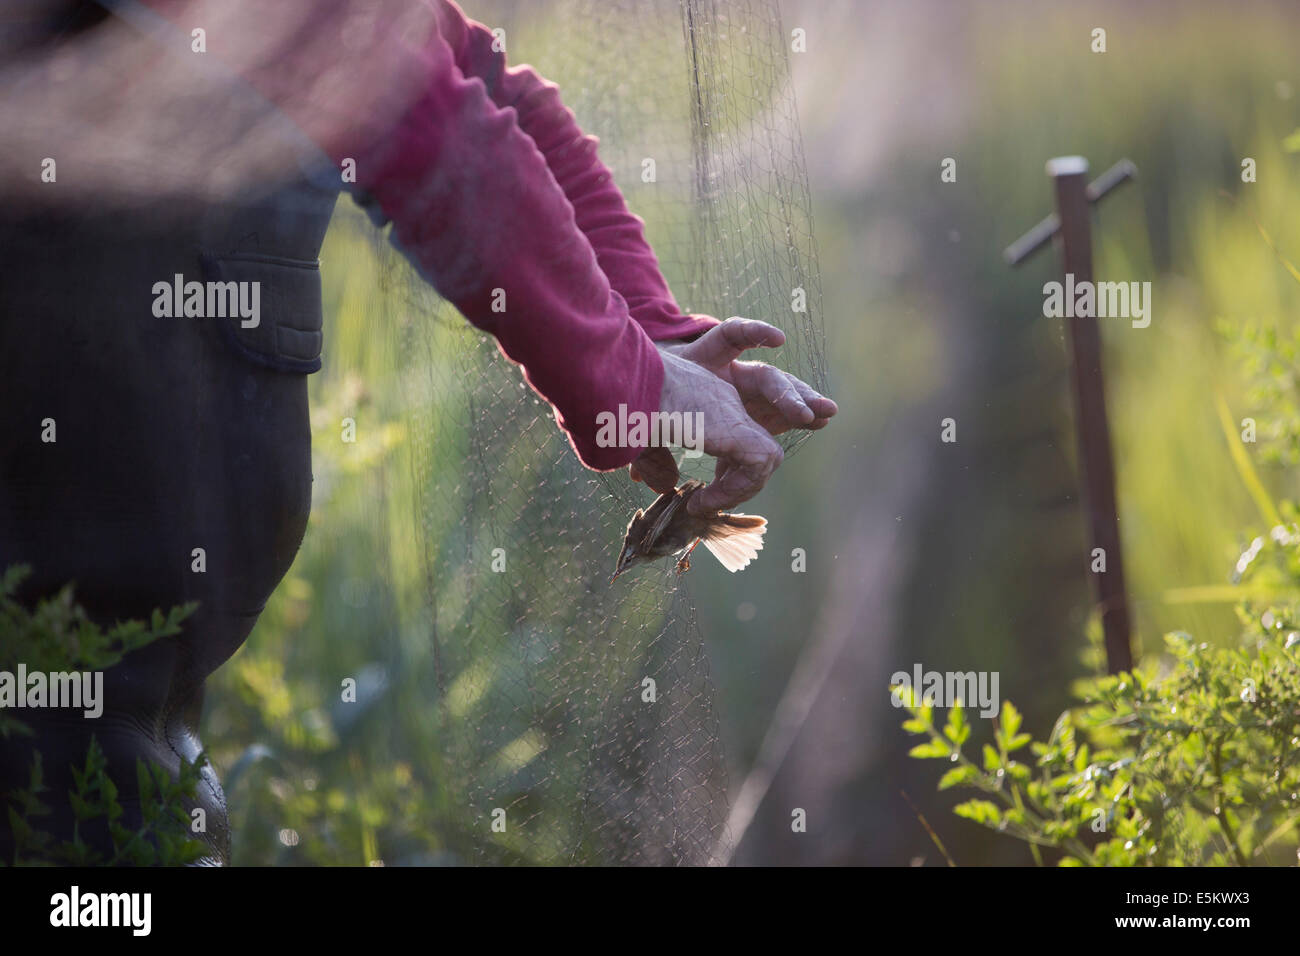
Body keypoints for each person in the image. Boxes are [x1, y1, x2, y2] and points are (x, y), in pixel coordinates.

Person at [0, 0, 835, 864]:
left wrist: (652, 339)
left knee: (110, 780)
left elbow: (463, 68)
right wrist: (633, 381)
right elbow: (401, 96)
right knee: (68, 797)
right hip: (62, 496)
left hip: (136, 662)